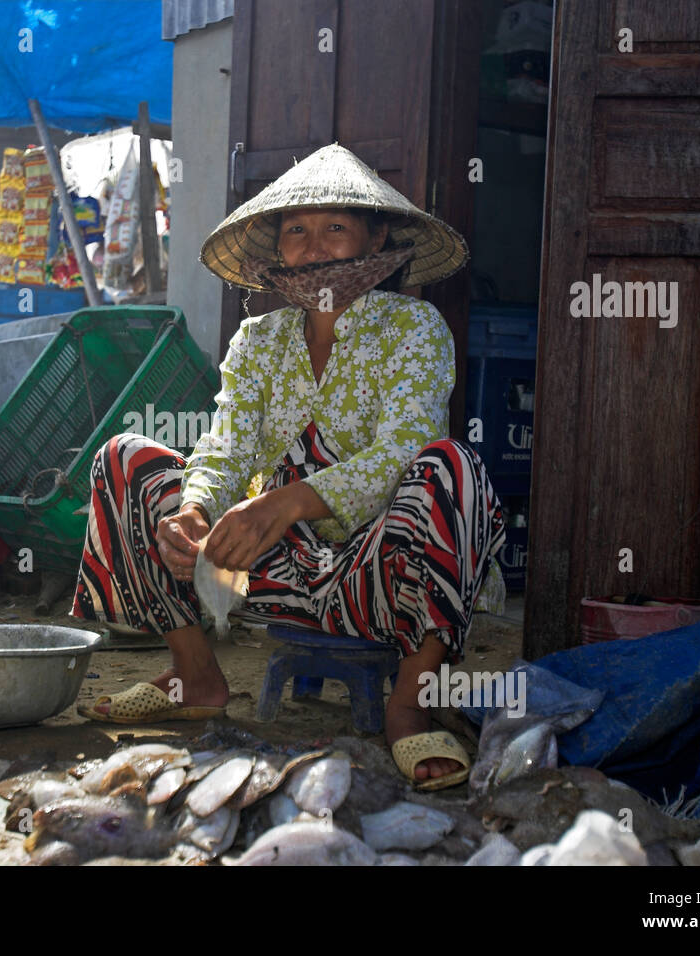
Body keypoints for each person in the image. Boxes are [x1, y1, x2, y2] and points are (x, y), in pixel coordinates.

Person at [71, 143, 506, 791]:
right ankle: (196, 673)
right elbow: (226, 447)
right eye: (296, 231)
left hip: (377, 575)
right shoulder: (258, 340)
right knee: (126, 459)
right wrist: (195, 510)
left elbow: (404, 448)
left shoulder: (416, 328)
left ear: (377, 235)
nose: (313, 246)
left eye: (335, 227)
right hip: (270, 573)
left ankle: (410, 701)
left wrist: (289, 500)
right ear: (277, 250)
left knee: (452, 465)